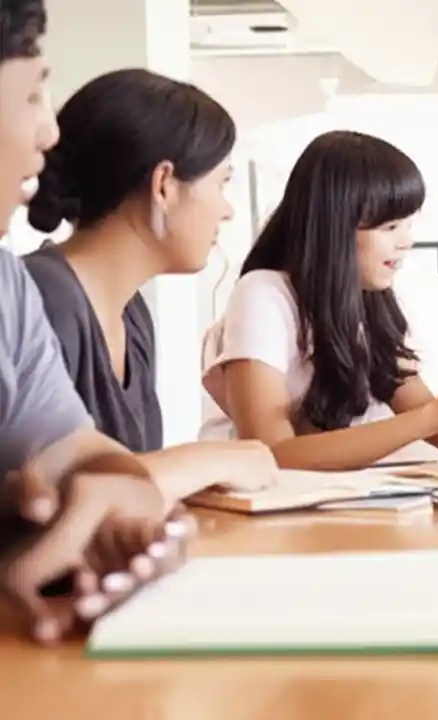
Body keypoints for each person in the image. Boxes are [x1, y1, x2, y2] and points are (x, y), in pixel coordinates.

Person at [201, 130, 438, 471]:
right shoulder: (264, 294)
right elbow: (272, 453)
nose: (406, 241)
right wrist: (433, 416)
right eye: (390, 227)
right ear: (334, 228)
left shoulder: (371, 305)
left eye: (407, 225)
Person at [0, 0, 187, 644]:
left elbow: (78, 452)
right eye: (31, 95)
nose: (48, 133)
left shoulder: (7, 287)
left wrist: (123, 504)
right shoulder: (47, 288)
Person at [22, 68, 276, 505]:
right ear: (164, 185)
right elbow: (48, 492)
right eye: (221, 183)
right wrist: (213, 459)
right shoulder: (42, 298)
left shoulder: (132, 313)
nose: (227, 210)